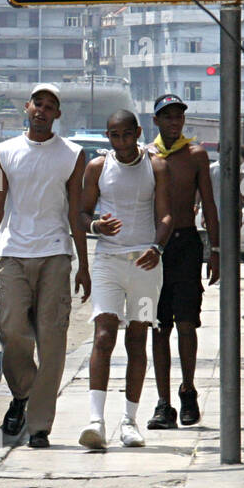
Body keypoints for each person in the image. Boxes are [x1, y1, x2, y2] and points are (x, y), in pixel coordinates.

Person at [0, 83, 89, 449]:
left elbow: (75, 211)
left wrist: (84, 264)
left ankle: (40, 425)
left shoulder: (73, 156)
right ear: (27, 107)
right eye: (38, 104)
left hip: (56, 254)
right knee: (11, 329)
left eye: (50, 106)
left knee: (52, 340)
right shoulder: (4, 152)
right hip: (13, 254)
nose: (42, 111)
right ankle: (22, 394)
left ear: (58, 115)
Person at [78, 110, 172, 450]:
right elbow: (82, 212)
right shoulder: (97, 168)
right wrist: (95, 227)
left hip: (146, 266)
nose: (121, 142)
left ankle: (130, 421)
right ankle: (95, 421)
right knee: (103, 335)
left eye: (126, 135)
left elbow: (166, 215)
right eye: (114, 136)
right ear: (108, 137)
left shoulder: (156, 166)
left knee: (137, 338)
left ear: (137, 133)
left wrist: (157, 246)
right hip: (108, 262)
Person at [145, 94, 219, 429]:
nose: (174, 122)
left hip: (187, 243)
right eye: (167, 117)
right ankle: (163, 403)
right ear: (156, 121)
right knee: (159, 327)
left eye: (179, 116)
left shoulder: (196, 155)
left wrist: (214, 250)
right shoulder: (146, 155)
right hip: (155, 248)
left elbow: (208, 202)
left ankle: (187, 390)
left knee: (187, 323)